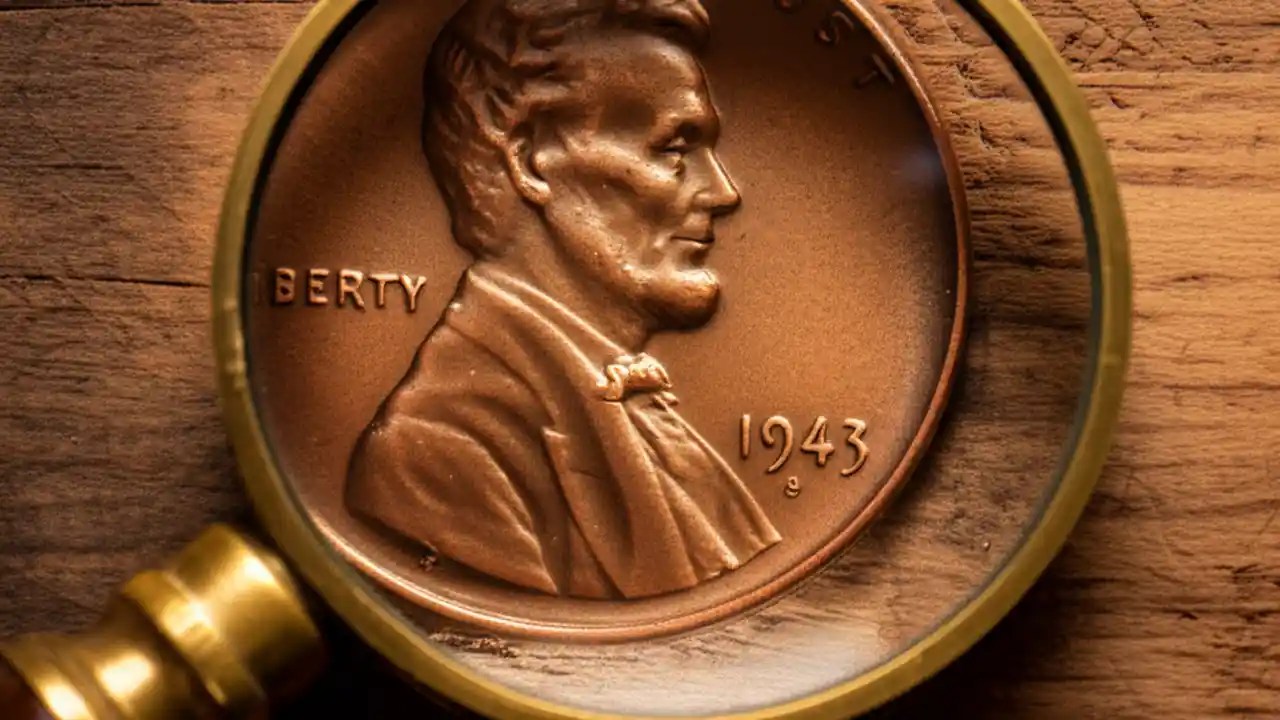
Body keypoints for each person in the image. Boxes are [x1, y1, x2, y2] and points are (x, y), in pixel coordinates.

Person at [345, 0, 780, 600]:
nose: (724, 193)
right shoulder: (438, 454)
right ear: (531, 161)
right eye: (674, 150)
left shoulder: (625, 401)